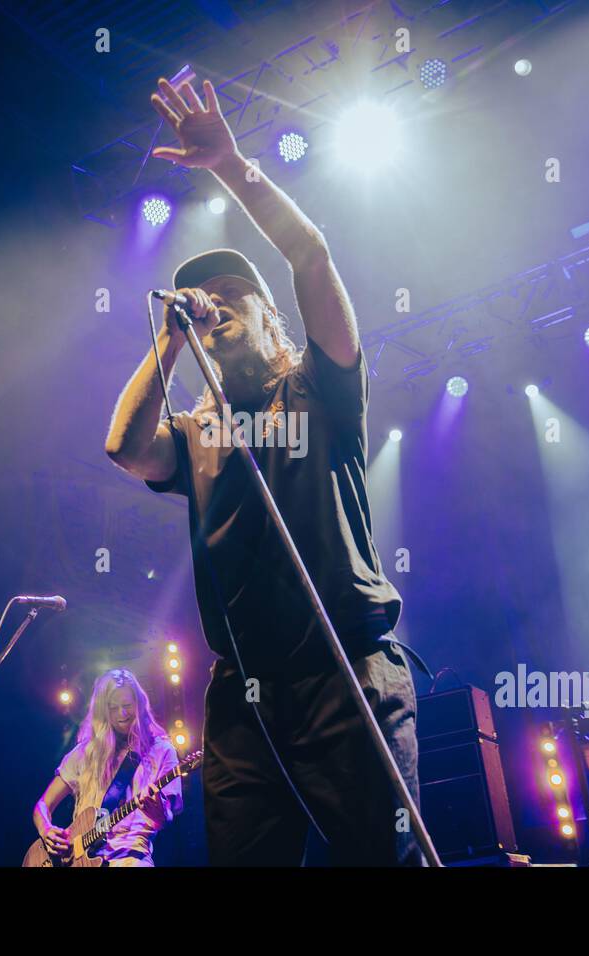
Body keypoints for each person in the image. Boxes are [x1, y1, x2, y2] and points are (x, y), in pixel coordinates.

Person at [104, 76, 421, 865]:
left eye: (230, 290)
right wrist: (170, 339)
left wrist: (231, 167)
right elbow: (123, 448)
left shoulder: (320, 386)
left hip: (346, 669)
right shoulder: (197, 428)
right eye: (198, 295)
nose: (212, 301)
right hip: (243, 692)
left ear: (268, 311)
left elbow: (310, 251)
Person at [33, 669, 181, 866]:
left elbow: (165, 818)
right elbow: (42, 805)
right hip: (78, 859)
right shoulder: (84, 753)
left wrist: (158, 811)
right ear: (103, 711)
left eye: (128, 705)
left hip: (131, 856)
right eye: (113, 707)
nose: (122, 713)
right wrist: (46, 829)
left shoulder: (162, 751)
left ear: (139, 705)